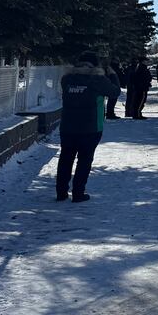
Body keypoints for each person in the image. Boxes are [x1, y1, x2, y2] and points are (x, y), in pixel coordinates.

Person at [57, 51, 121, 203]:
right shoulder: (97, 79)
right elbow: (115, 92)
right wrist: (112, 75)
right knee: (84, 160)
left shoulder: (67, 78)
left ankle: (61, 193)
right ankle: (78, 193)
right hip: (90, 127)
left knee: (65, 158)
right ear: (95, 64)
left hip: (67, 126)